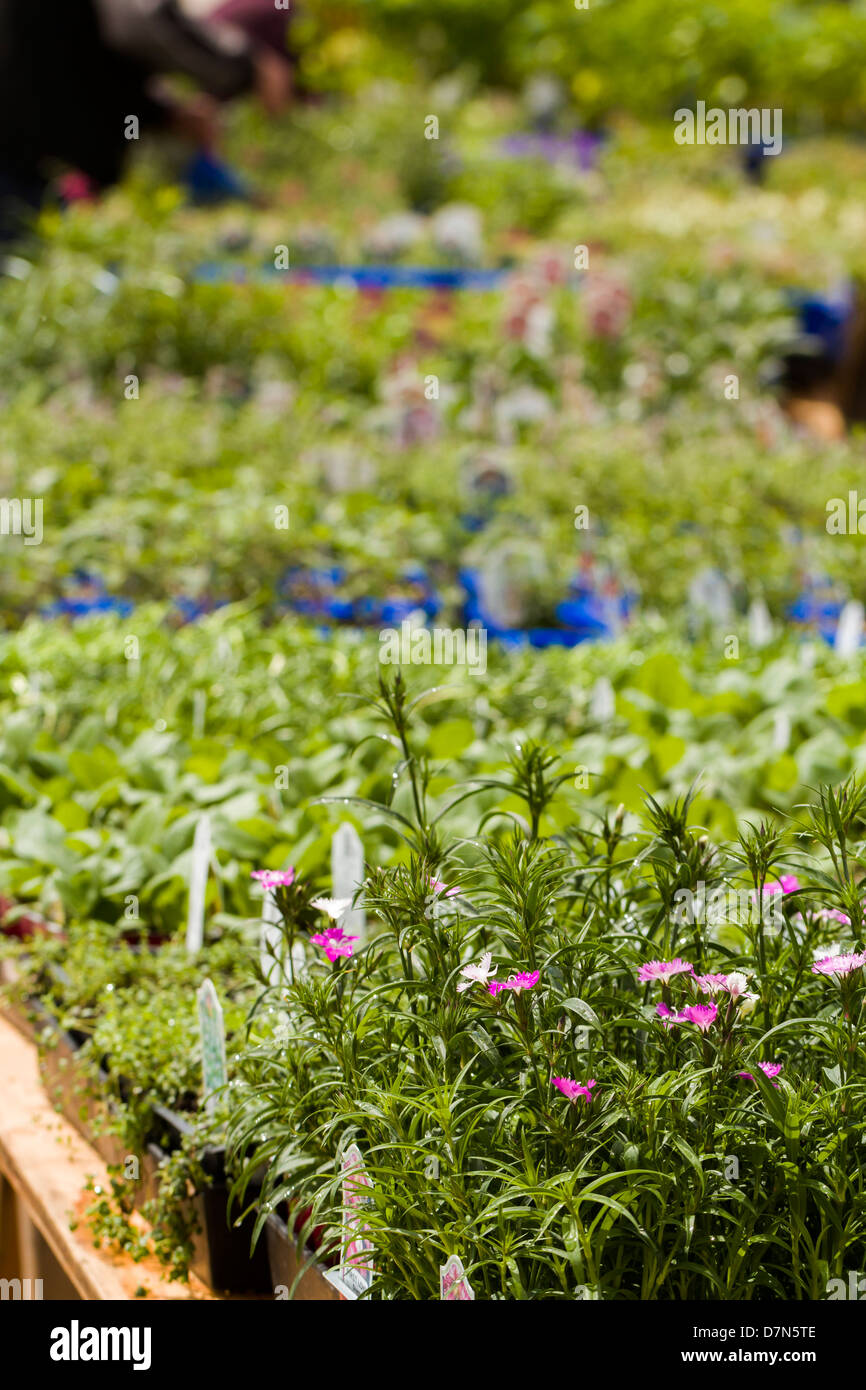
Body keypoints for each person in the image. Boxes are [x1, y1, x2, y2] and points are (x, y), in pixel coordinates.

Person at [0, 0, 294, 239]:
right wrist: (247, 66)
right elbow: (139, 23)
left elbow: (80, 54)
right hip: (35, 156)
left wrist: (162, 112)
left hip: (35, 151)